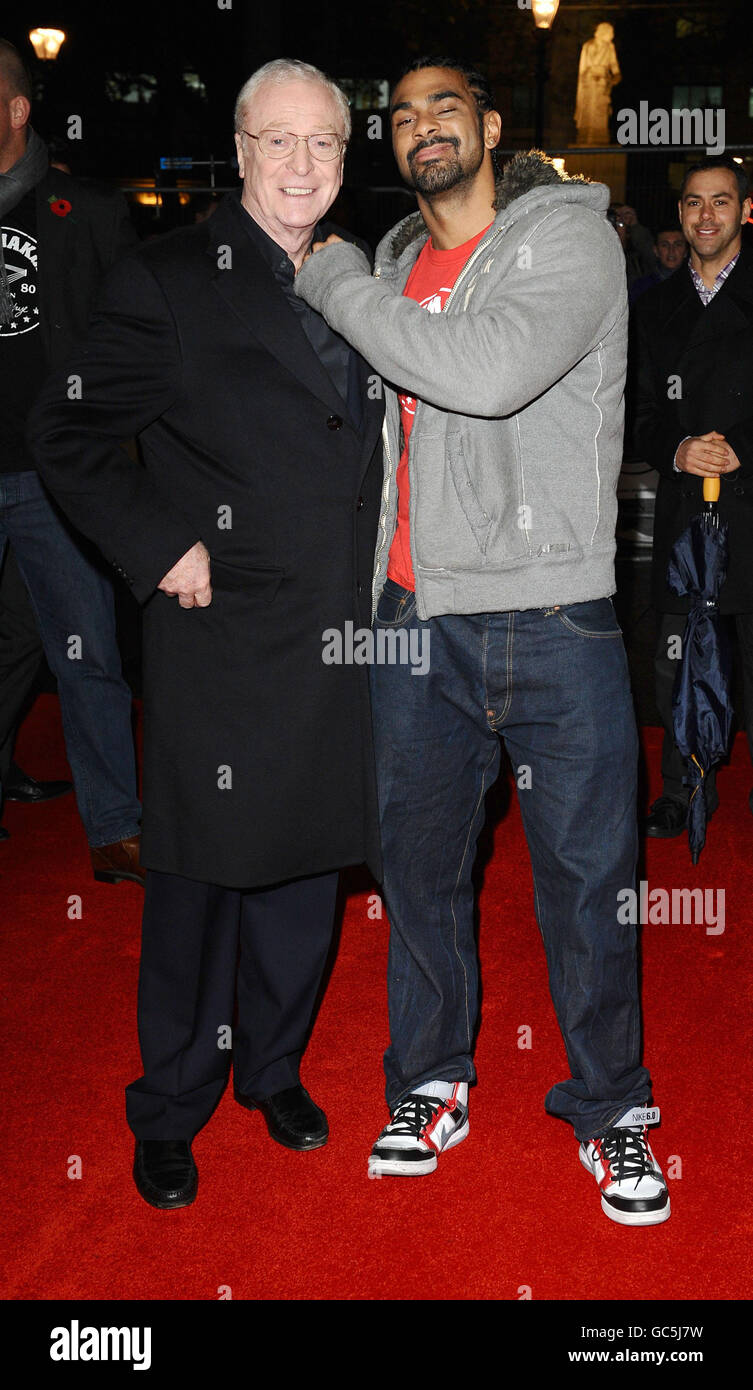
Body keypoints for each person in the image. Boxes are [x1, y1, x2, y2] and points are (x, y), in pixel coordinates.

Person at [296, 56, 670, 1226]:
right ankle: (429, 1081)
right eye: (400, 115)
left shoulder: (569, 240)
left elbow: (487, 374)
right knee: (417, 873)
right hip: (415, 621)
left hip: (554, 618)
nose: (420, 127)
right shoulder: (403, 265)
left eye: (444, 105)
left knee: (590, 882)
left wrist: (336, 282)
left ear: (494, 127)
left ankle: (614, 1111)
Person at [29, 58, 383, 1209]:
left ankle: (271, 1069)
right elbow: (67, 429)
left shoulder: (359, 275)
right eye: (278, 142)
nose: (300, 165)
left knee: (302, 870)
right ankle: (172, 1099)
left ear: (345, 158)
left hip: (340, 636)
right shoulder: (170, 277)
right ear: (239, 152)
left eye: (323, 144)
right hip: (220, 635)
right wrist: (159, 542)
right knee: (195, 884)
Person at [0, 38, 142, 881]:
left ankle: (116, 829)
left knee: (87, 653)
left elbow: (132, 342)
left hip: (57, 477)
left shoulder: (83, 212)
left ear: (18, 111)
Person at [633, 156, 753, 837]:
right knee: (674, 651)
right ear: (677, 214)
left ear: (742, 210)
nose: (704, 215)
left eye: (719, 201)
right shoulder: (651, 306)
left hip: (748, 500)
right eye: (691, 204)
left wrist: (744, 446)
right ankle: (679, 785)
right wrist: (676, 450)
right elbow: (638, 409)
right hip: (685, 506)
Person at [629, 223, 687, 304]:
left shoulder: (697, 286)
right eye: (665, 245)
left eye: (677, 245)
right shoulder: (641, 287)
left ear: (686, 251)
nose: (671, 251)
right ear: (656, 250)